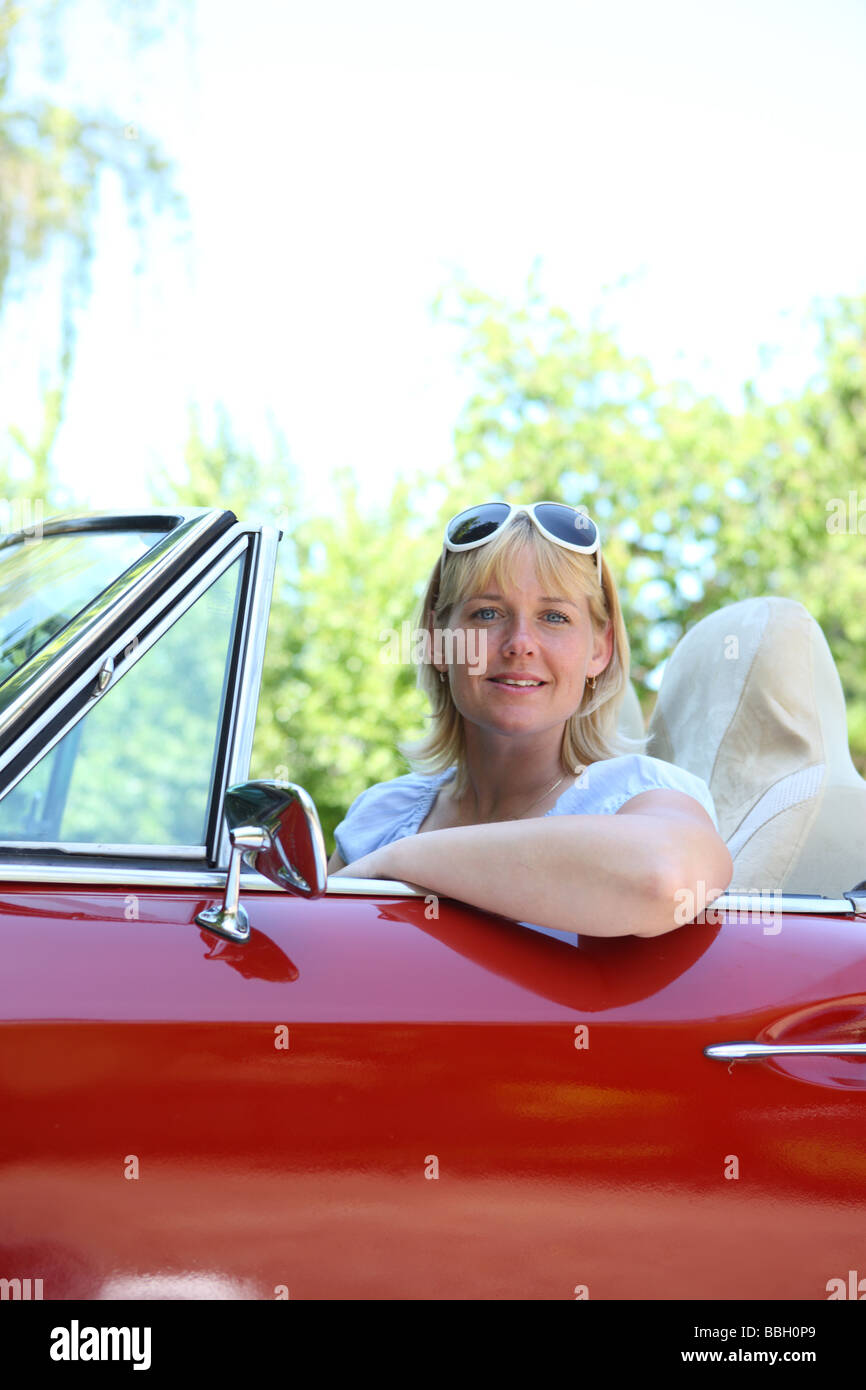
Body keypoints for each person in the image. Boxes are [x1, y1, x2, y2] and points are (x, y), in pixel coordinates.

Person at [328, 501, 733, 937]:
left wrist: (400, 861)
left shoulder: (638, 796)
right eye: (487, 613)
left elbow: (664, 878)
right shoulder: (380, 816)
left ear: (600, 649)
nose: (520, 644)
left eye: (554, 617)